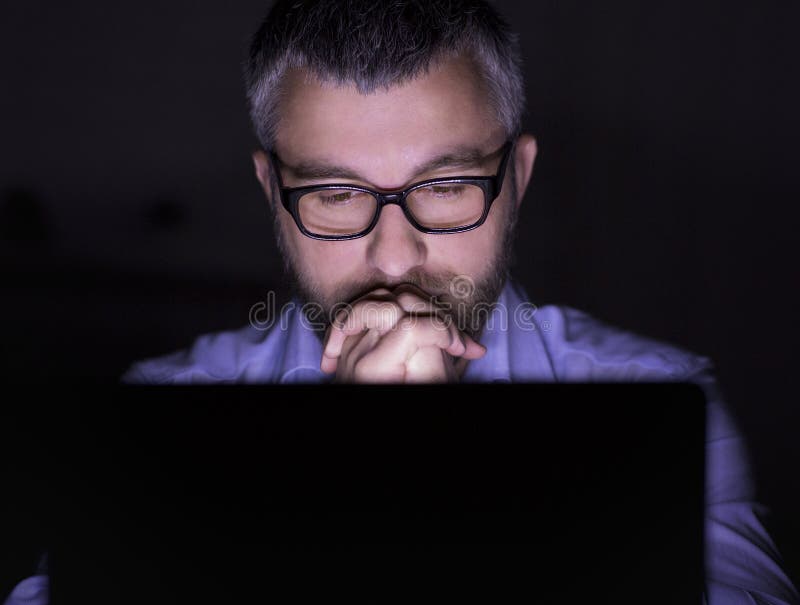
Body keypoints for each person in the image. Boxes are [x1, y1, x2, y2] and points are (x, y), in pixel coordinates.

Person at [5, 1, 788, 604]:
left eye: (445, 186)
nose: (393, 256)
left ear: (516, 181)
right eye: (336, 193)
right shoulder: (156, 421)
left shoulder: (665, 408)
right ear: (273, 194)